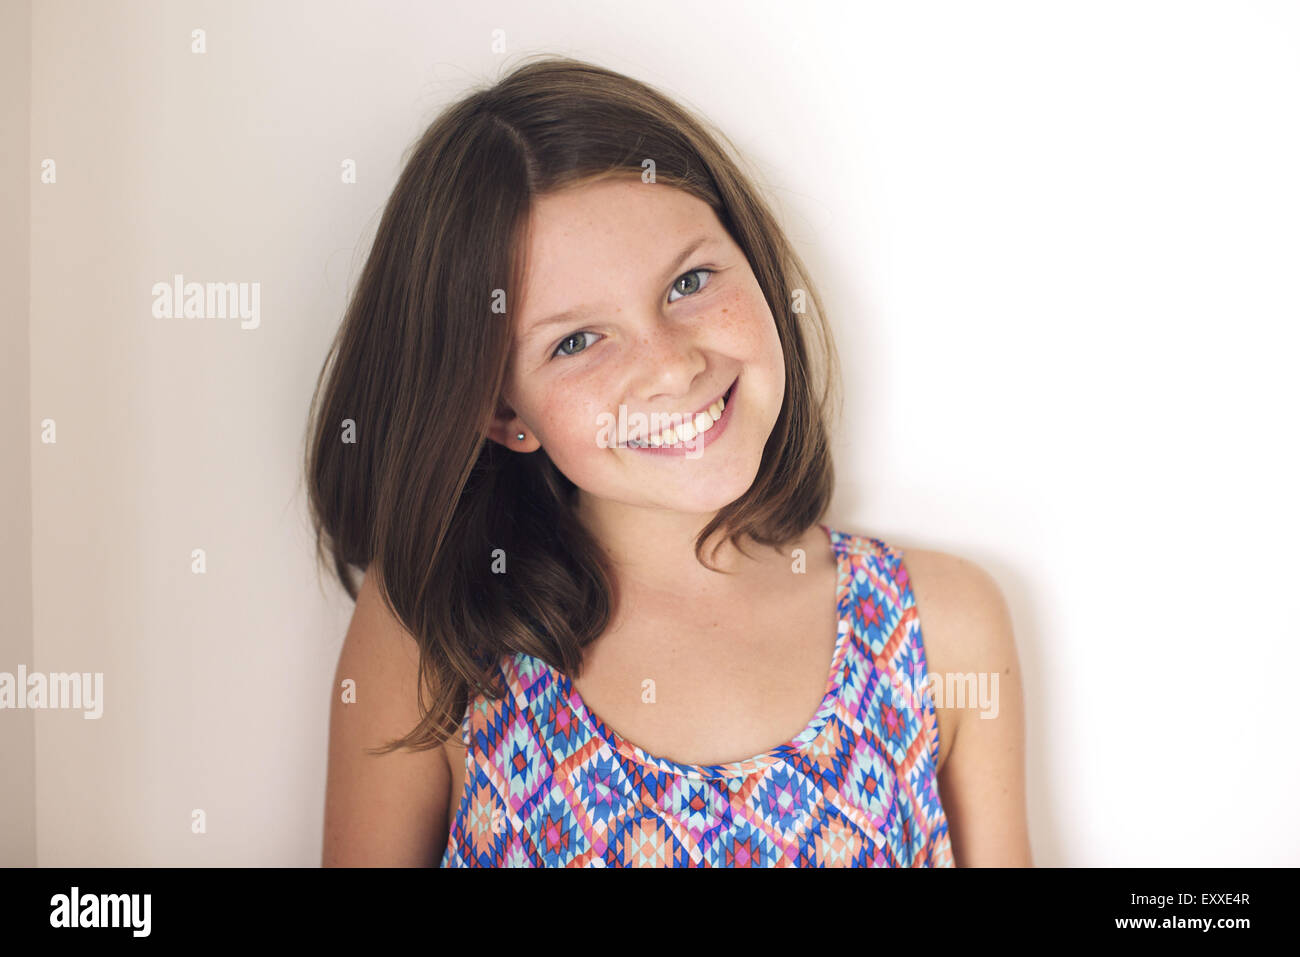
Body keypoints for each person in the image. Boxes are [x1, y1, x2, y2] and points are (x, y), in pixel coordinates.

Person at [311, 55, 1032, 867]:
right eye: (576, 341)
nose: (669, 365)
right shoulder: (433, 632)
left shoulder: (943, 630)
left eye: (688, 281)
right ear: (503, 411)